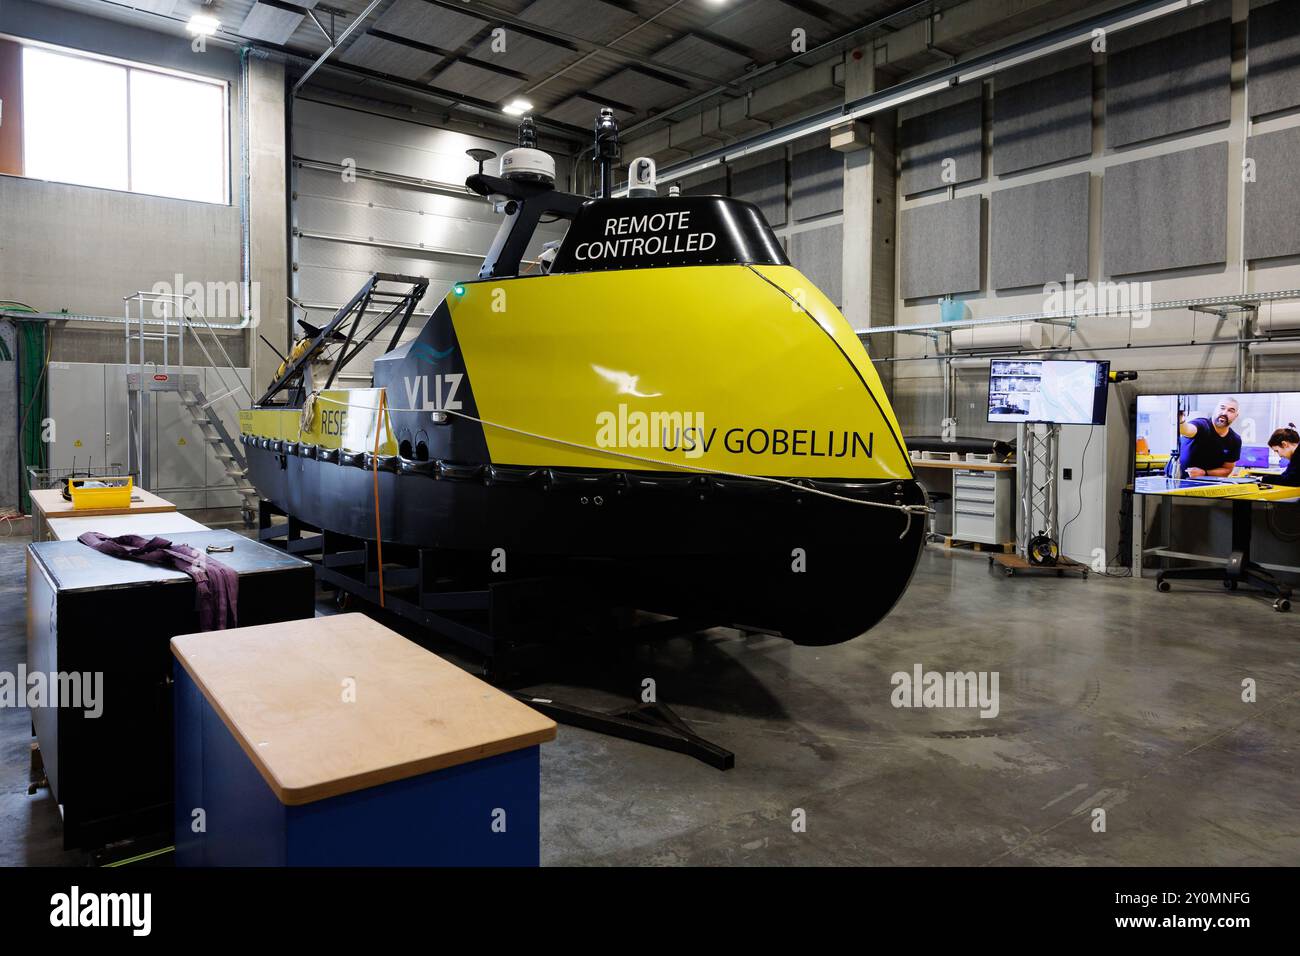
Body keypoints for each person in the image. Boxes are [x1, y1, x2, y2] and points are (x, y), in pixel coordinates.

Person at [1178, 396, 1243, 478]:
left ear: (1236, 416)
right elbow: (1186, 430)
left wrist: (1204, 473)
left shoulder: (1235, 440)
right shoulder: (1201, 425)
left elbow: (1227, 470)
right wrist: (1180, 420)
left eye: (1230, 410)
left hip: (1210, 484)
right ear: (1215, 409)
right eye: (1222, 408)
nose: (1224, 413)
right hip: (1179, 481)